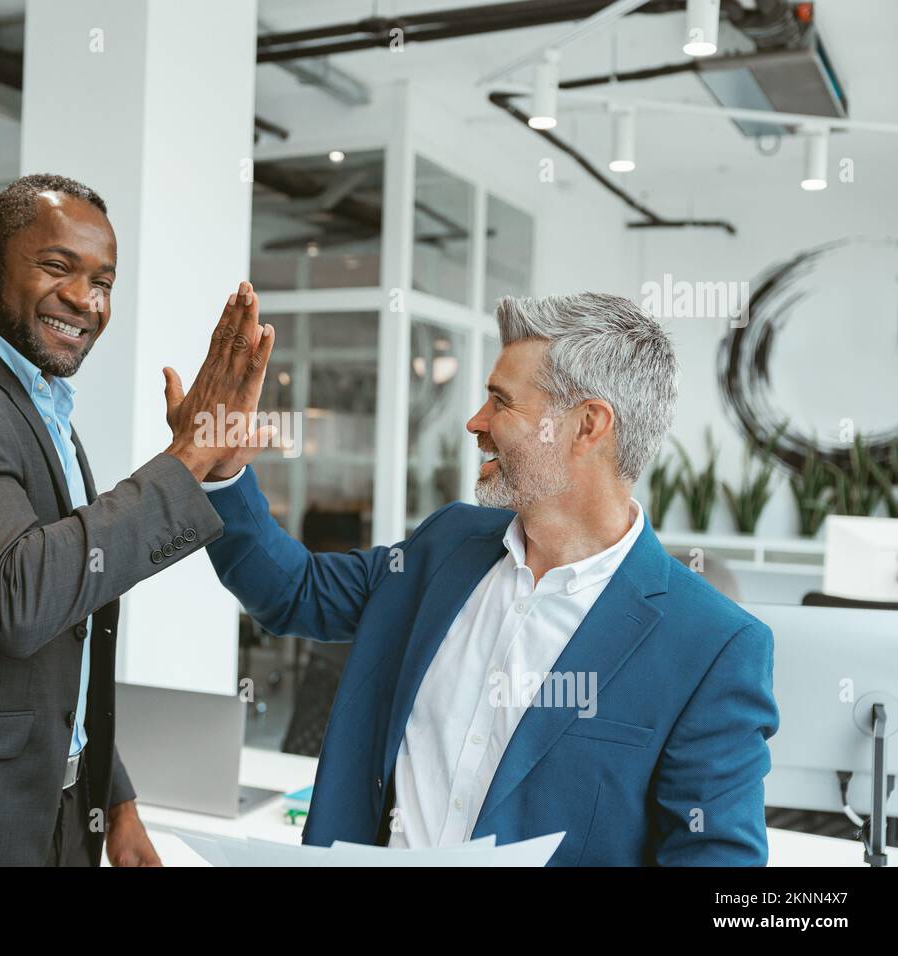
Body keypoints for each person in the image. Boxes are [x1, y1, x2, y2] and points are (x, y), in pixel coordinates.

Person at [192, 292, 778, 865]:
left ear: (587, 425)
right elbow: (294, 592)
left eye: (502, 401)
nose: (476, 422)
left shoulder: (711, 646)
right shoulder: (447, 545)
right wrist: (220, 467)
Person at [0, 173, 273, 866]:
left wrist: (113, 795)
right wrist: (186, 458)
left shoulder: (43, 410)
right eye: (56, 267)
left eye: (103, 281)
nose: (85, 300)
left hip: (61, 814)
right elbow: (20, 598)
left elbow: (69, 636)